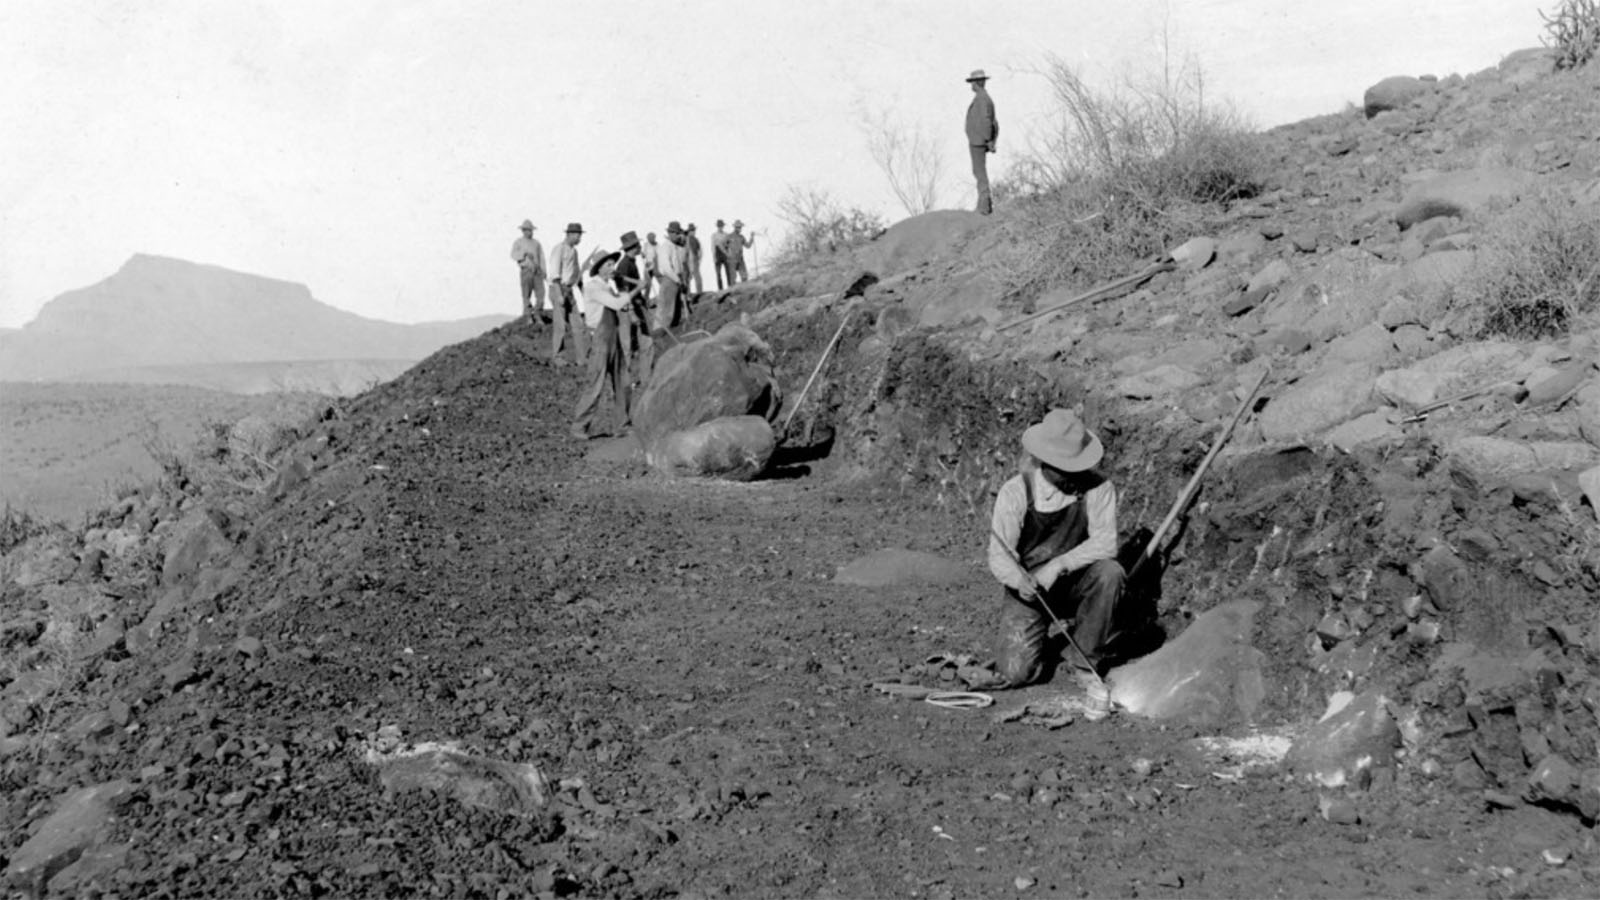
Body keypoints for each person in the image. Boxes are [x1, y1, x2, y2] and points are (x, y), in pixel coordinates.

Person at [987, 409, 1124, 688]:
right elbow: (1000, 555)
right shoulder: (1015, 492)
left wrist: (1058, 566)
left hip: (1077, 582)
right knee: (1015, 674)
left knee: (1111, 573)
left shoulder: (1099, 488)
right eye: (1065, 470)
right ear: (1045, 463)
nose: (1075, 476)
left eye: (1078, 467)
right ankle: (1048, 642)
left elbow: (1106, 544)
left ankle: (1085, 659)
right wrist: (1019, 580)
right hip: (1030, 591)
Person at [571, 248, 645, 440]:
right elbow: (616, 304)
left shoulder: (607, 286)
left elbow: (621, 304)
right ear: (599, 268)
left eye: (613, 264)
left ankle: (622, 424)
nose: (613, 268)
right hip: (600, 339)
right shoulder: (593, 287)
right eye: (609, 265)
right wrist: (637, 289)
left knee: (623, 382)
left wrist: (626, 293)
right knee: (595, 384)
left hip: (613, 337)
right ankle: (579, 426)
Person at [546, 222, 589, 367]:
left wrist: (583, 292)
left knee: (578, 325)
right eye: (578, 235)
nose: (579, 239)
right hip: (558, 288)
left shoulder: (574, 252)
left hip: (569, 290)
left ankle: (582, 359)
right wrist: (558, 294)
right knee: (560, 325)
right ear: (570, 234)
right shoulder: (559, 249)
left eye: (580, 235)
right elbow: (554, 274)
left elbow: (576, 273)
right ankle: (558, 357)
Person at [965, 69, 998, 215]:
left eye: (972, 82)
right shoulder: (983, 98)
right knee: (979, 172)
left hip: (978, 141)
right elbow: (994, 122)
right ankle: (984, 205)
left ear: (976, 83)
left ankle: (984, 207)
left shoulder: (982, 99)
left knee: (979, 172)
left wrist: (988, 139)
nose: (971, 85)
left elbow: (987, 121)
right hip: (978, 140)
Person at [510, 220, 547, 325]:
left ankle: (537, 314)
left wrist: (544, 270)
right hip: (526, 270)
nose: (529, 232)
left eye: (530, 230)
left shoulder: (536, 243)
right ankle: (528, 316)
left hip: (537, 271)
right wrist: (524, 253)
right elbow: (513, 255)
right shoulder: (518, 242)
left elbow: (541, 257)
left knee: (541, 294)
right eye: (526, 230)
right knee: (526, 294)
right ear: (523, 231)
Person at [654, 221, 688, 332]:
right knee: (665, 312)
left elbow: (679, 265)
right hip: (670, 280)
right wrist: (678, 281)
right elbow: (666, 268)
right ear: (671, 233)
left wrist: (681, 281)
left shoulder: (675, 247)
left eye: (679, 233)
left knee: (674, 310)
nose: (678, 236)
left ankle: (671, 335)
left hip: (676, 280)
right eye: (676, 233)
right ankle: (659, 334)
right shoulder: (665, 247)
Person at [685, 223, 704, 295]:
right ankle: (688, 293)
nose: (693, 232)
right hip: (688, 259)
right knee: (688, 277)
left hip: (695, 259)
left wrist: (699, 258)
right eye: (692, 230)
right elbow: (687, 250)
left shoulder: (696, 239)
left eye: (694, 230)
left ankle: (699, 292)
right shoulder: (687, 239)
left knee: (696, 276)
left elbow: (700, 250)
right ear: (689, 231)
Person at [712, 219, 730, 290]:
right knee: (718, 273)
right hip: (717, 254)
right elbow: (713, 246)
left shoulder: (726, 235)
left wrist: (728, 254)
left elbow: (728, 245)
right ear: (717, 226)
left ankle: (730, 287)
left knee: (728, 272)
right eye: (719, 226)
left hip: (725, 254)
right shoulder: (714, 235)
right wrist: (714, 257)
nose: (720, 227)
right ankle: (720, 289)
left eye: (721, 226)